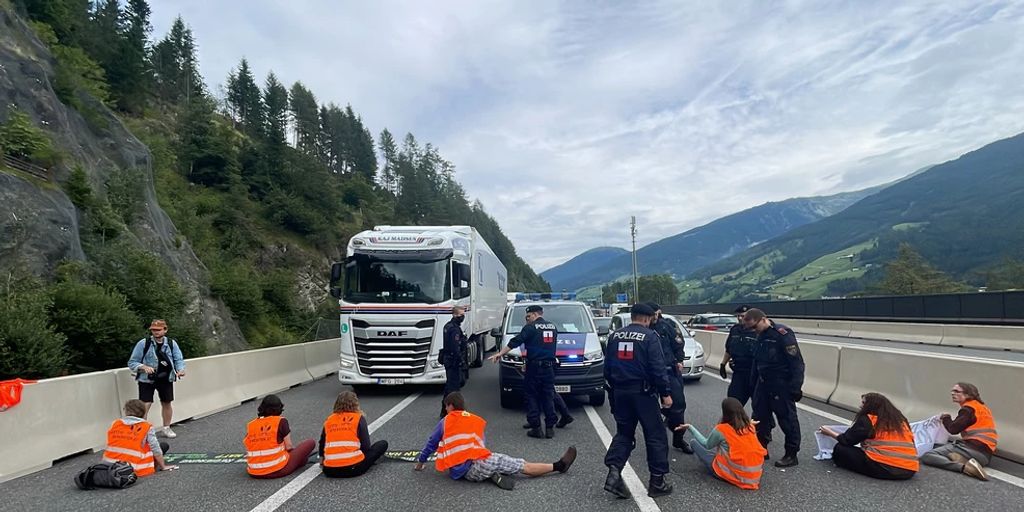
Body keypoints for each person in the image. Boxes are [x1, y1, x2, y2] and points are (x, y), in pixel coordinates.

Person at [414, 392, 577, 490]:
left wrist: (420, 463)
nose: (445, 409)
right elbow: (481, 444)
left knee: (500, 463)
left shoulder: (445, 421)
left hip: (460, 469)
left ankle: (492, 473)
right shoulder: (474, 419)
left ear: (450, 406)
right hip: (473, 465)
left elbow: (431, 443)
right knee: (521, 465)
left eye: (446, 406)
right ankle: (559, 466)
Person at [602, 303, 674, 499]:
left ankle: (614, 473)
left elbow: (607, 368)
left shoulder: (614, 336)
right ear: (647, 318)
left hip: (620, 392)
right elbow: (657, 368)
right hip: (643, 394)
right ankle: (657, 482)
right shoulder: (650, 337)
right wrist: (666, 393)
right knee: (655, 435)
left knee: (624, 434)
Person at [744, 308, 804, 468]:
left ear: (763, 319)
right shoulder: (759, 336)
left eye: (754, 327)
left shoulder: (782, 334)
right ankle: (761, 448)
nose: (753, 331)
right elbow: (757, 362)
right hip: (762, 383)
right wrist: (752, 384)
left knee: (787, 420)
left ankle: (791, 454)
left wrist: (796, 387)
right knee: (759, 418)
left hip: (780, 385)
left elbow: (797, 363)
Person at [489, 305, 558, 439]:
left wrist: (500, 354)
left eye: (528, 316)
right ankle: (550, 428)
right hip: (549, 367)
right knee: (548, 396)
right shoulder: (552, 327)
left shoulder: (530, 327)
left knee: (531, 395)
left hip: (534, 367)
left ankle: (536, 427)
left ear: (534, 314)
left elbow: (515, 342)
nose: (527, 319)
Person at [818, 393, 918, 480]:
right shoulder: (901, 421)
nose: (860, 406)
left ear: (871, 406)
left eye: (863, 403)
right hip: (909, 470)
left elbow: (846, 440)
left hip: (886, 468)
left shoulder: (869, 420)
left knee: (840, 449)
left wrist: (829, 432)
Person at [677, 398, 766, 490]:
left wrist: (690, 427)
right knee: (726, 448)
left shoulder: (722, 429)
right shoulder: (750, 427)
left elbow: (706, 444)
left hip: (731, 475)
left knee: (694, 443)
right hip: (754, 478)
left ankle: (721, 471)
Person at [920, 382, 996, 481]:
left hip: (971, 449)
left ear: (968, 394)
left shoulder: (968, 410)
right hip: (985, 457)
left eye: (956, 391)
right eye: (952, 391)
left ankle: (965, 467)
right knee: (944, 450)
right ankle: (964, 460)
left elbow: (953, 429)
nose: (952, 393)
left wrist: (946, 417)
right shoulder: (982, 408)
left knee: (928, 456)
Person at [127, 319, 186, 439]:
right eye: (153, 330)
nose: (156, 332)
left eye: (158, 330)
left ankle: (166, 428)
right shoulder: (144, 343)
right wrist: (143, 367)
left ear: (165, 330)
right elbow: (132, 362)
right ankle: (142, 431)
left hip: (166, 378)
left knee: (167, 402)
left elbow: (178, 359)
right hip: (147, 379)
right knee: (145, 405)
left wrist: (180, 370)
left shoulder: (171, 343)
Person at [648, 303, 691, 454]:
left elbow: (678, 344)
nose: (653, 317)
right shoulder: (643, 328)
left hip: (669, 371)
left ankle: (678, 439)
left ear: (658, 312)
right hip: (650, 374)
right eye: (650, 315)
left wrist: (679, 360)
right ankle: (656, 443)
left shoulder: (667, 326)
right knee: (650, 409)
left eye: (655, 314)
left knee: (678, 406)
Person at [244, 394, 316, 479]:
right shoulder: (281, 421)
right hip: (277, 470)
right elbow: (289, 446)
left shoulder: (251, 425)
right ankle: (301, 461)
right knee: (310, 442)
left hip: (254, 471)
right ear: (279, 408)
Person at [320, 391, 389, 478]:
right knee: (382, 444)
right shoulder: (358, 418)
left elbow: (322, 443)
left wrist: (322, 459)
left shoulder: (329, 419)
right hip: (354, 468)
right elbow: (366, 446)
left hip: (329, 470)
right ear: (356, 404)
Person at [102, 399, 178, 476]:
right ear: (144, 412)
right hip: (134, 468)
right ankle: (154, 464)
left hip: (108, 465)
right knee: (163, 446)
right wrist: (163, 466)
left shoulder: (115, 423)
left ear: (126, 411)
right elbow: (155, 448)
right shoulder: (146, 426)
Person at [721, 305, 757, 406]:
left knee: (760, 409)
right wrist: (723, 364)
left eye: (743, 316)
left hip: (754, 374)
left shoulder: (758, 331)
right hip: (739, 374)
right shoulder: (735, 330)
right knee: (732, 404)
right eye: (738, 316)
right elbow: (729, 349)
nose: (740, 318)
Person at [440, 307, 467, 419]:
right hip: (453, 361)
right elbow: (455, 348)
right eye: (461, 315)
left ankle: (444, 410)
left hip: (448, 359)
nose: (463, 317)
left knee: (449, 387)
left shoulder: (447, 326)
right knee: (454, 388)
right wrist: (461, 361)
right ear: (455, 315)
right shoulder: (454, 329)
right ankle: (453, 412)